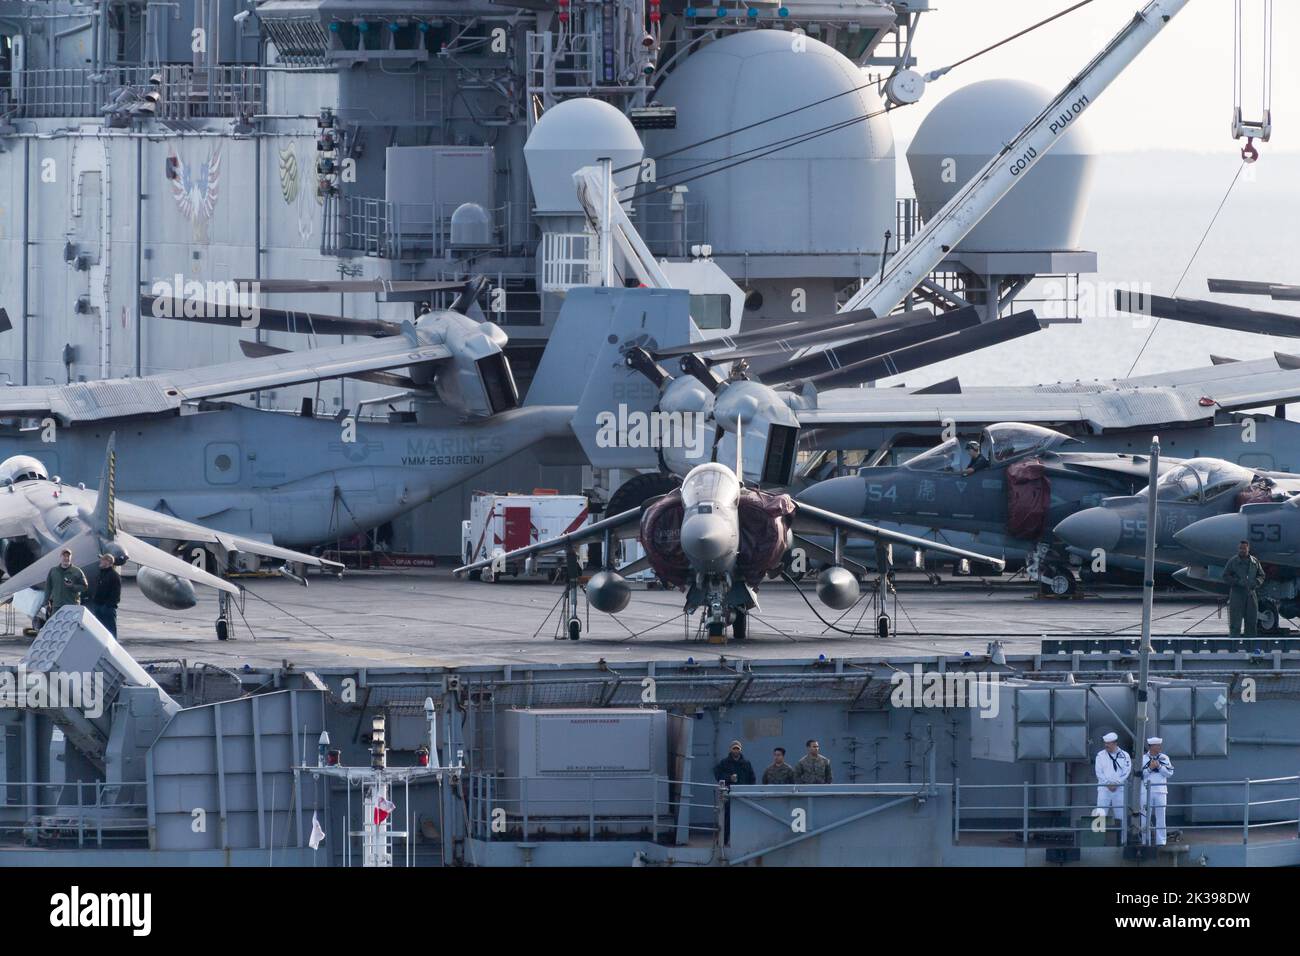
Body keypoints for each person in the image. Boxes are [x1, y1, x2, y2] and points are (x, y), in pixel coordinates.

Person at [1093, 731, 1131, 840]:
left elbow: (1126, 771)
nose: (1106, 745)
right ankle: (1097, 839)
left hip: (1119, 790)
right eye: (1105, 743)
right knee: (1100, 813)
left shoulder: (1125, 755)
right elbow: (1099, 772)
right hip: (1104, 789)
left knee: (1120, 815)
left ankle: (1122, 839)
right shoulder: (1100, 756)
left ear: (1115, 743)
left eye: (1109, 743)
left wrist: (1117, 783)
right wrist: (1107, 784)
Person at [1222, 540, 1265, 638]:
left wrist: (1257, 582)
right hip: (1237, 595)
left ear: (1248, 549)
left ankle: (1250, 646)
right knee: (1235, 622)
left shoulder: (1254, 562)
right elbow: (1225, 576)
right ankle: (1234, 646)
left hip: (1251, 595)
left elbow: (1262, 575)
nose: (1242, 550)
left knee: (1251, 622)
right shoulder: (1233, 561)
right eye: (1240, 548)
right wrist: (1237, 582)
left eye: (1244, 548)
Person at [1140, 736, 1174, 846]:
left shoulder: (1164, 758)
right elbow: (1139, 774)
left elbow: (1169, 773)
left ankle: (1161, 841)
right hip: (1146, 791)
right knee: (1145, 817)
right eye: (1157, 745)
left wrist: (1159, 767)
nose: (1159, 747)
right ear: (1151, 747)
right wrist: (1150, 768)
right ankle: (1145, 841)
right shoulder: (1143, 758)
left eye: (1159, 745)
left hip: (1160, 791)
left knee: (1161, 817)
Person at [43, 548, 88, 618]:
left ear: (71, 557)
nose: (66, 558)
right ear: (60, 557)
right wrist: (46, 602)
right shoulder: (53, 571)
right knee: (55, 626)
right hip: (57, 605)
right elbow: (48, 587)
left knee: (70, 626)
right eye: (64, 556)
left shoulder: (77, 571)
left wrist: (73, 586)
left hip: (71, 606)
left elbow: (84, 587)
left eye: (68, 556)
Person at [87, 553, 122, 638]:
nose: (100, 561)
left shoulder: (114, 576)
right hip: (98, 606)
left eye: (102, 560)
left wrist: (107, 606)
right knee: (100, 630)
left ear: (108, 562)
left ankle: (112, 648)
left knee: (110, 630)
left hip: (107, 609)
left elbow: (116, 594)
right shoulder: (101, 574)